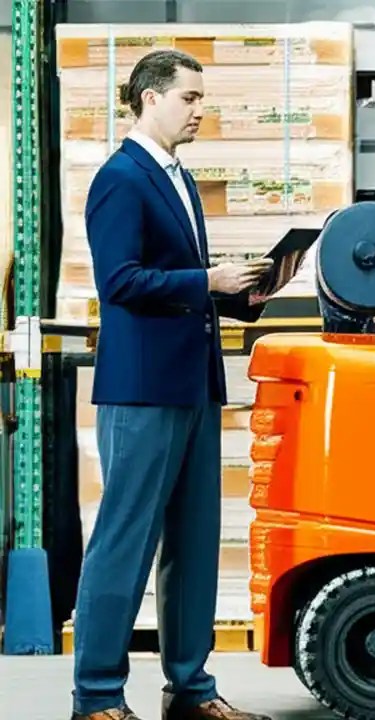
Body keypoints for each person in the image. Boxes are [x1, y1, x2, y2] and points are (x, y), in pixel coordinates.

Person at [72, 49, 275, 720]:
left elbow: (183, 282)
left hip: (191, 384)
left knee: (192, 542)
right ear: (149, 99)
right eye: (189, 98)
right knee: (125, 541)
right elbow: (120, 283)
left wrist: (244, 290)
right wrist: (206, 281)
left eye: (200, 98)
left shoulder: (179, 179)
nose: (199, 110)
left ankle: (190, 688)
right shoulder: (122, 179)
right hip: (142, 390)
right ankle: (97, 694)